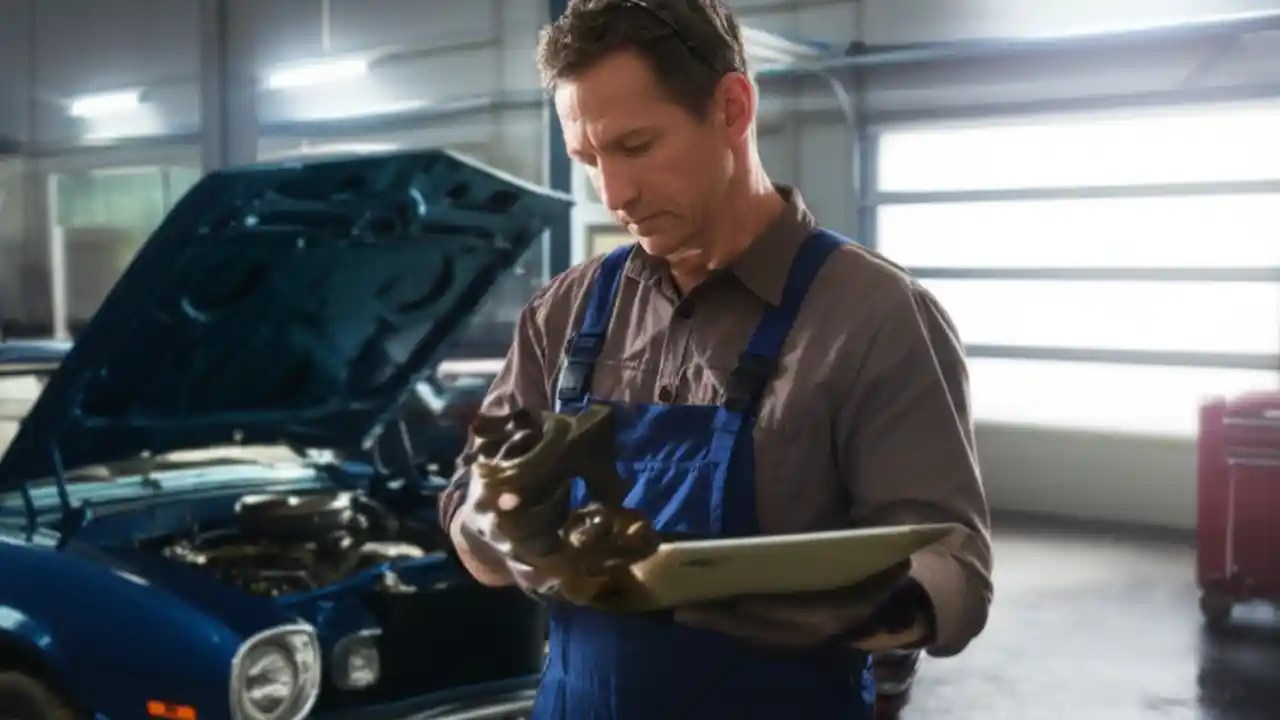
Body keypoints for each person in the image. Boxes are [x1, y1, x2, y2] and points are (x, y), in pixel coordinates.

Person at [437, 0, 993, 717]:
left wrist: (859, 607)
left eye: (636, 145)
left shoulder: (875, 318)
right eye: (587, 159)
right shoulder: (563, 313)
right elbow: (465, 507)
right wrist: (488, 526)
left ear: (731, 107)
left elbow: (957, 570)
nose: (613, 194)